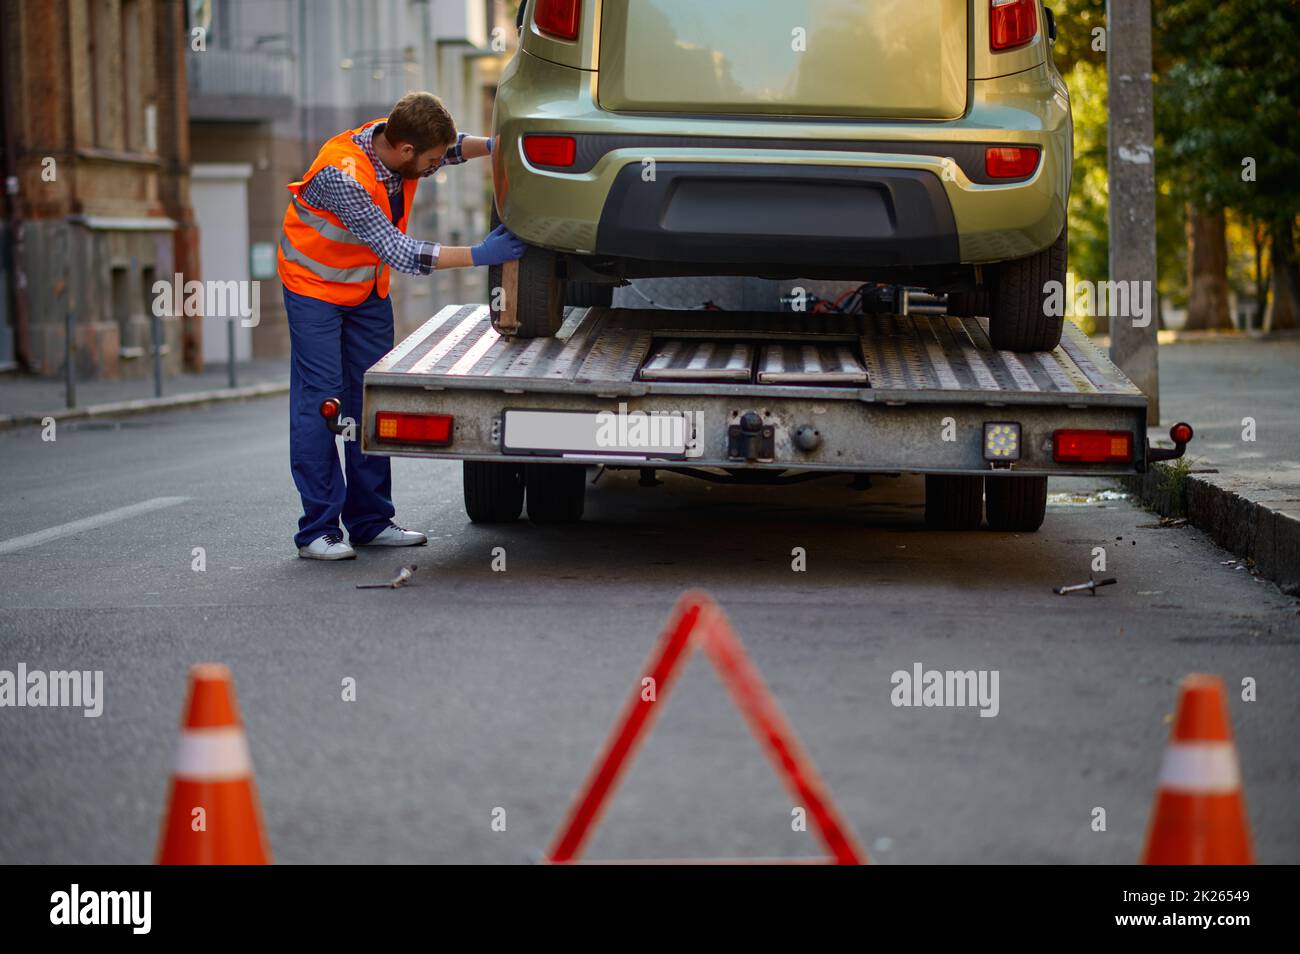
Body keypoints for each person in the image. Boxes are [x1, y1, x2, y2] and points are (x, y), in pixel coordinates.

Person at [278, 91, 525, 560]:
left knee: (369, 400)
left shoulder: (395, 141)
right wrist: (479, 255)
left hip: (367, 291)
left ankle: (371, 522)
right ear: (406, 151)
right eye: (430, 161)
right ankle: (317, 531)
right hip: (315, 289)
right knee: (325, 405)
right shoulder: (343, 176)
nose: (436, 168)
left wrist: (496, 145)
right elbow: (400, 251)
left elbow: (449, 149)